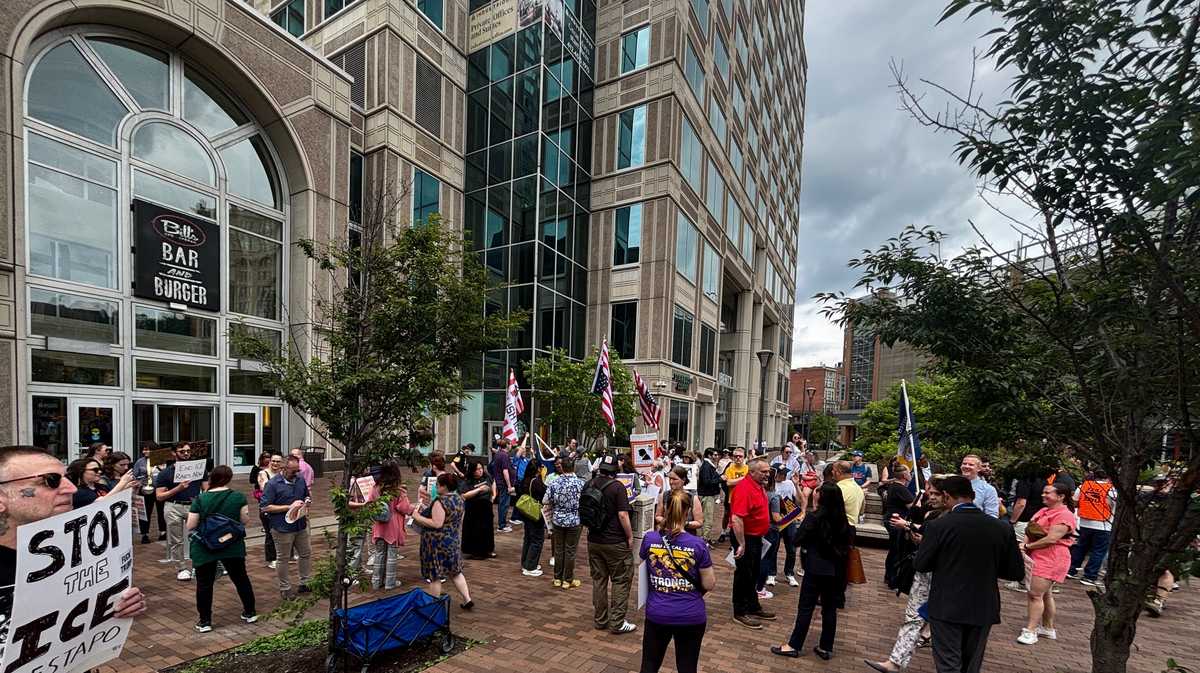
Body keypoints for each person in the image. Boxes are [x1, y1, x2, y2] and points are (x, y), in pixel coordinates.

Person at [0, 446, 147, 657]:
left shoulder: (77, 548)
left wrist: (115, 607)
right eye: (50, 480)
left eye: (66, 477)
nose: (71, 489)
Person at [913, 475, 1024, 673]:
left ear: (946, 496)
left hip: (947, 603)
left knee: (948, 662)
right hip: (983, 603)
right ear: (972, 495)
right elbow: (1015, 571)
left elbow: (921, 564)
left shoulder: (939, 526)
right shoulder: (1001, 527)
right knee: (971, 664)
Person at [867, 477, 950, 673]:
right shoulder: (933, 514)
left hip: (944, 576)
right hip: (925, 573)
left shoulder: (951, 520)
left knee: (943, 625)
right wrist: (911, 530)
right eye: (931, 491)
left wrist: (911, 529)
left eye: (935, 493)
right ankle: (895, 662)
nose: (930, 495)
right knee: (913, 618)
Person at [771, 481, 853, 660]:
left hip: (816, 568)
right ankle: (826, 646)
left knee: (806, 608)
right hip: (836, 570)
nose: (814, 493)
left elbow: (797, 540)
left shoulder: (814, 517)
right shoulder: (842, 519)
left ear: (822, 497)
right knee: (830, 609)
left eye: (817, 491)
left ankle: (794, 644)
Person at [638, 490, 716, 673]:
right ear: (688, 511)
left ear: (664, 509)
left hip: (658, 612)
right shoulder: (698, 545)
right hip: (690, 614)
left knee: (649, 664)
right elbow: (709, 584)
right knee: (687, 666)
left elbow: (643, 566)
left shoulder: (650, 539)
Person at [186, 465, 256, 632]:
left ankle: (205, 621)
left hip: (205, 546)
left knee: (204, 584)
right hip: (232, 544)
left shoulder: (200, 500)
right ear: (229, 478)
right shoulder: (238, 497)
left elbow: (190, 525)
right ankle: (250, 612)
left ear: (212, 478)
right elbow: (244, 520)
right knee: (240, 578)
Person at [1017, 482, 1077, 645]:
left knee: (1035, 595)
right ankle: (1048, 628)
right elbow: (1032, 528)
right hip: (1037, 555)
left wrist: (1027, 546)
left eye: (1048, 493)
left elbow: (1051, 539)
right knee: (1045, 594)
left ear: (1061, 497)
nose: (1043, 495)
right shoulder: (1044, 510)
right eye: (1043, 492)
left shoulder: (1065, 515)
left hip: (1051, 558)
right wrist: (1026, 544)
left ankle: (1031, 630)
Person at [586, 455, 637, 634]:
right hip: (615, 541)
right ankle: (617, 621)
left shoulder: (589, 483)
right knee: (620, 580)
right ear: (615, 470)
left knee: (599, 580)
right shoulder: (617, 487)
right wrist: (629, 537)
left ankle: (600, 620)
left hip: (594, 539)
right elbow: (623, 515)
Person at [412, 471, 474, 610]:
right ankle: (467, 599)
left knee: (435, 576)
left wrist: (416, 516)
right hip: (453, 540)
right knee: (455, 572)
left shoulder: (440, 501)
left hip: (436, 543)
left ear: (444, 487)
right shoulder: (459, 499)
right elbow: (458, 520)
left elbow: (436, 523)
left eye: (438, 485)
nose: (436, 488)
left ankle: (433, 608)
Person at [729, 458, 775, 629]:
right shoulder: (744, 488)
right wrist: (741, 543)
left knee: (753, 572)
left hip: (755, 538)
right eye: (763, 472)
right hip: (745, 538)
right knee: (744, 574)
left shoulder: (758, 485)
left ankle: (753, 606)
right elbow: (736, 518)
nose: (767, 474)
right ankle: (740, 611)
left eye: (768, 471)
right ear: (752, 472)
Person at [260, 455, 312, 598]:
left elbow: (306, 495)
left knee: (305, 553)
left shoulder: (300, 479)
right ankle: (285, 587)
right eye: (293, 471)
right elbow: (264, 507)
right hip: (282, 527)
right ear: (283, 468)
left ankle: (305, 582)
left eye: (298, 470)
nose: (296, 474)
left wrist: (307, 500)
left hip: (300, 525)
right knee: (283, 558)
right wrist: (289, 507)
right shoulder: (273, 484)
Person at [156, 442, 209, 581]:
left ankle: (199, 565)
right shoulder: (165, 473)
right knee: (176, 539)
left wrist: (203, 499)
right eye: (182, 451)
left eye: (188, 451)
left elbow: (206, 489)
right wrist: (177, 489)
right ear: (174, 453)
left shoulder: (198, 469)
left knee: (199, 536)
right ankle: (181, 568)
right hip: (173, 506)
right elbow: (159, 496)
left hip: (193, 505)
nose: (186, 454)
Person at [367, 460, 413, 590]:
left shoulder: (375, 488)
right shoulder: (398, 490)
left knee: (379, 553)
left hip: (379, 525)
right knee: (392, 555)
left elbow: (370, 503)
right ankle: (390, 582)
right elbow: (404, 507)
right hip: (393, 526)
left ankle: (376, 581)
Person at [1068, 468, 1115, 588]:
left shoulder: (1084, 486)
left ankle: (1071, 570)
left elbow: (1074, 502)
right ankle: (1089, 576)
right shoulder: (1112, 489)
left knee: (1080, 547)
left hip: (1084, 522)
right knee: (1098, 551)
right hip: (1104, 524)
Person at [543, 456, 584, 588]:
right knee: (570, 551)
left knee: (559, 550)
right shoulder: (580, 483)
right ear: (573, 467)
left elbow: (545, 500)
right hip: (575, 520)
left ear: (562, 467)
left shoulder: (554, 482)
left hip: (558, 520)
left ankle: (557, 578)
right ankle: (568, 579)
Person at [880, 465, 916, 589]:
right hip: (896, 521)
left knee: (894, 550)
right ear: (905, 476)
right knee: (897, 550)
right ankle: (892, 578)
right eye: (909, 473)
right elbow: (913, 507)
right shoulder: (900, 488)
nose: (911, 475)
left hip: (891, 519)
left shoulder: (894, 486)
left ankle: (889, 576)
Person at [517, 457, 547, 576]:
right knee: (537, 540)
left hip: (526, 512)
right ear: (538, 469)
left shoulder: (525, 479)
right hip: (535, 513)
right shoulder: (536, 481)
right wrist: (543, 478)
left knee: (528, 538)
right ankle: (530, 567)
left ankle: (526, 562)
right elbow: (545, 492)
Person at [756, 466, 783, 599]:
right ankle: (760, 588)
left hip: (758, 528)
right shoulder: (774, 496)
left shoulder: (759, 492)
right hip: (771, 530)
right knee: (766, 560)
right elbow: (776, 517)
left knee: (757, 557)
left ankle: (754, 585)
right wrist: (788, 519)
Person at [460, 461, 496, 560]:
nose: (480, 471)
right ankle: (475, 551)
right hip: (473, 507)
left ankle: (488, 549)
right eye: (477, 469)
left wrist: (494, 495)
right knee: (475, 529)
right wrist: (479, 490)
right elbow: (464, 495)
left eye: (481, 468)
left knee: (487, 529)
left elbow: (493, 483)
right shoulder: (468, 481)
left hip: (486, 506)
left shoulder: (486, 476)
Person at [773, 465, 802, 586]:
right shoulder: (770, 485)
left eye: (785, 473)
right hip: (775, 515)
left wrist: (796, 485)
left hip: (789, 515)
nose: (784, 476)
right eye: (781, 473)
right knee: (773, 547)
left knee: (791, 548)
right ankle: (771, 573)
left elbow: (799, 500)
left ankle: (789, 573)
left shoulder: (789, 483)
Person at [653, 465, 703, 532]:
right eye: (670, 478)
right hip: (667, 534)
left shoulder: (693, 498)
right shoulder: (664, 496)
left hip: (686, 536)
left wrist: (683, 524)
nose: (671, 482)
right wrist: (668, 522)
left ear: (683, 480)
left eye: (674, 479)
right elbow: (658, 516)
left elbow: (699, 522)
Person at [256, 454, 283, 568]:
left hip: (280, 507)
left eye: (278, 461)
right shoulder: (263, 473)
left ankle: (283, 556)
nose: (275, 463)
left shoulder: (282, 473)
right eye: (273, 461)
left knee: (282, 532)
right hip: (268, 508)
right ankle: (272, 559)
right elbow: (265, 488)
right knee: (270, 533)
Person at [720, 447, 748, 541]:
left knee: (743, 520)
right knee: (731, 519)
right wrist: (744, 479)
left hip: (745, 499)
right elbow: (728, 483)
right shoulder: (730, 469)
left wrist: (735, 481)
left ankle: (740, 539)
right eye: (736, 456)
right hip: (732, 498)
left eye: (740, 456)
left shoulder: (747, 468)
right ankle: (726, 535)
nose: (738, 458)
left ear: (744, 457)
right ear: (732, 457)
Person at [696, 449, 722, 546]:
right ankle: (704, 540)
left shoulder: (708, 465)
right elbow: (707, 481)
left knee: (706, 518)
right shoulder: (707, 466)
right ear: (709, 455)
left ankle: (705, 538)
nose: (717, 456)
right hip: (707, 495)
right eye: (715, 454)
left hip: (707, 494)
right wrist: (720, 479)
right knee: (708, 518)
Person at [490, 438, 516, 532]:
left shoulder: (499, 454)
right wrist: (509, 486)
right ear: (508, 445)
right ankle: (502, 525)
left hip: (500, 482)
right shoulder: (504, 455)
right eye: (510, 444)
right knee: (504, 504)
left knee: (503, 503)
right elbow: (505, 471)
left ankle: (503, 523)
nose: (511, 446)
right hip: (504, 484)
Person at [833, 460, 865, 527]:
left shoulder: (839, 489)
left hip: (837, 528)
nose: (832, 472)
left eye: (833, 470)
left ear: (839, 472)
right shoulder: (858, 488)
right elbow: (861, 511)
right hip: (851, 528)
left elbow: (828, 510)